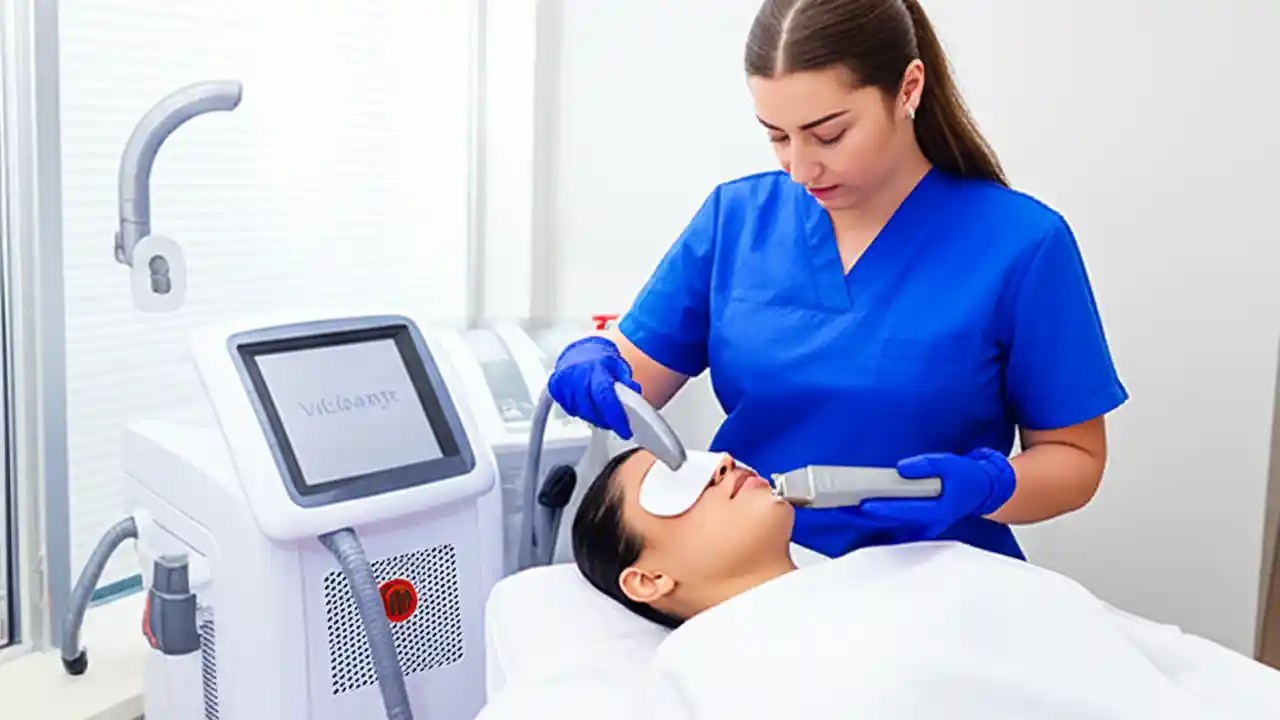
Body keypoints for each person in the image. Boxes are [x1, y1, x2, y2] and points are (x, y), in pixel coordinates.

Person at [550, 0, 1127, 561]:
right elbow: (634, 386)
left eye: (828, 135)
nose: (800, 169)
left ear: (908, 89)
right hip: (757, 579)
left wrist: (988, 486)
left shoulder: (1023, 243)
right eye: (777, 136)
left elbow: (1074, 458)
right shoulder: (737, 220)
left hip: (936, 585)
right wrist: (595, 368)